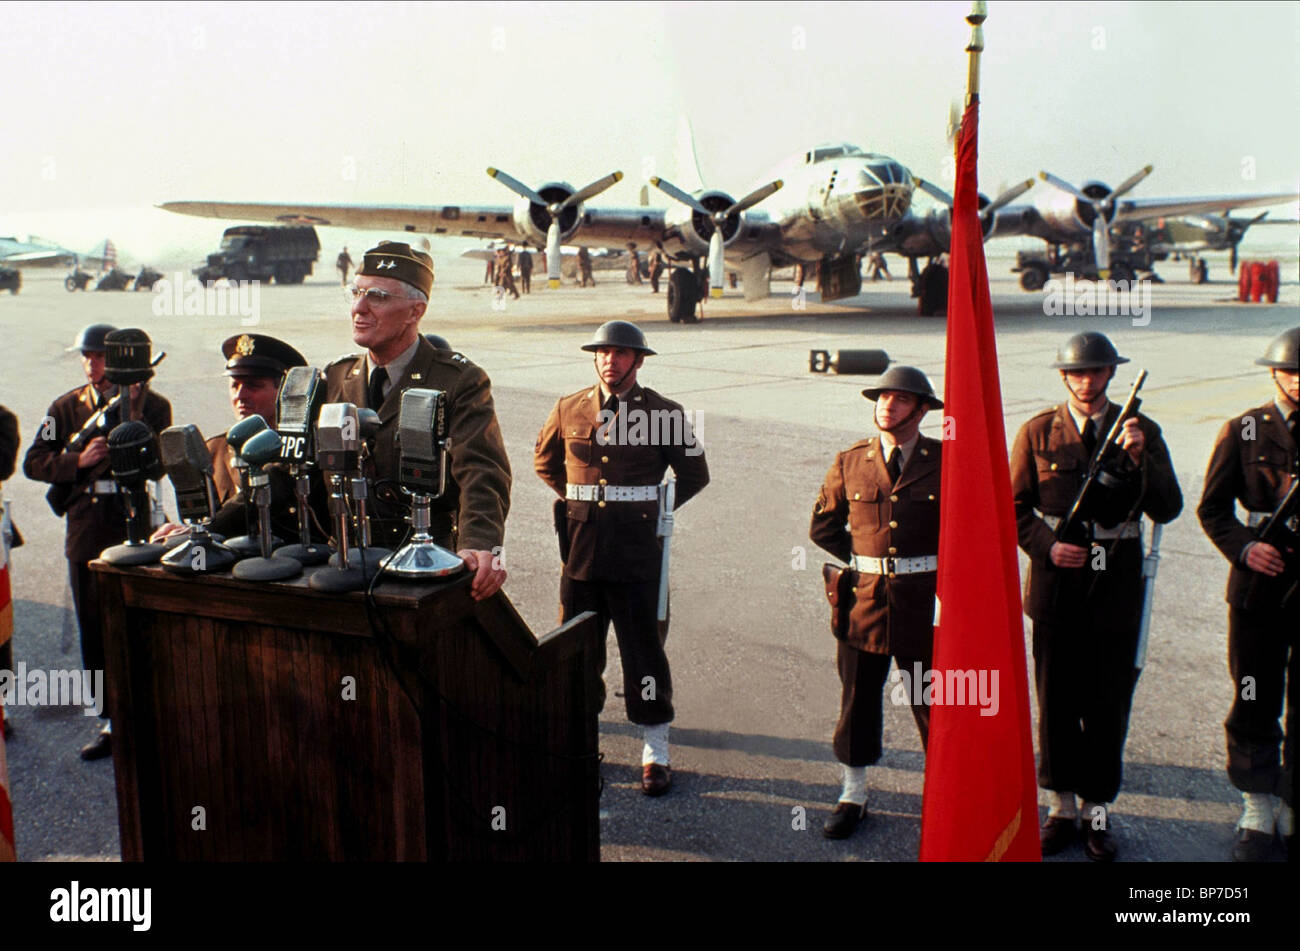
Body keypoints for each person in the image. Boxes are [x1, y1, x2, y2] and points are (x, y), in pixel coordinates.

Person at [1010, 332, 1182, 861]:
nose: (1087, 381)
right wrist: (1045, 547)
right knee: (1057, 699)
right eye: (1077, 372)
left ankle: (1098, 811)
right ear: (1064, 376)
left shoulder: (1141, 430)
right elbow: (1011, 506)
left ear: (1111, 375)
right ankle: (1061, 806)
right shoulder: (1038, 431)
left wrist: (1142, 455)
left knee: (1108, 704)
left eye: (1097, 371)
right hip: (1058, 583)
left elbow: (1168, 508)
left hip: (1116, 582)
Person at [534, 321, 709, 796]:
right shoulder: (568, 407)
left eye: (621, 353)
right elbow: (546, 463)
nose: (610, 360)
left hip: (637, 557)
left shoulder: (665, 414)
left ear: (638, 360)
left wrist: (647, 511)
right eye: (603, 352)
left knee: (644, 653)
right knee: (577, 654)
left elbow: (695, 473)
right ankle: (580, 747)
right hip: (582, 553)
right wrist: (583, 506)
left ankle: (655, 752)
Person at [326, 241, 510, 600]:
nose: (358, 308)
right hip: (345, 568)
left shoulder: (457, 381)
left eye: (376, 296)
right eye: (356, 292)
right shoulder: (336, 377)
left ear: (415, 312)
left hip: (425, 568)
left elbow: (482, 471)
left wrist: (482, 544)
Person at [23, 324, 172, 760]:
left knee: (140, 622)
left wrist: (135, 428)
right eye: (86, 357)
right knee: (93, 628)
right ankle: (107, 720)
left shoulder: (153, 405)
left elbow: (161, 464)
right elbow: (34, 461)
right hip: (86, 528)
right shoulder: (66, 407)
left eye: (100, 357)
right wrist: (78, 460)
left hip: (133, 521)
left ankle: (145, 709)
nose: (92, 365)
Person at [808, 366, 942, 839]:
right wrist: (865, 562)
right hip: (863, 602)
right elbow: (822, 526)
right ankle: (853, 793)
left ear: (922, 409)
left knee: (933, 703)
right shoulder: (852, 461)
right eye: (883, 397)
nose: (887, 405)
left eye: (900, 399)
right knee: (858, 701)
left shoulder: (945, 461)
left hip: (926, 605)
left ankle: (944, 796)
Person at [1197, 326, 1298, 862]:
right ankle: (1258, 804)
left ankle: (1293, 801)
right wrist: (1243, 548)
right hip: (1260, 583)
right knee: (1255, 691)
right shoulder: (1245, 430)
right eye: (1291, 372)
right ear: (1274, 374)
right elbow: (1212, 509)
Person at [149, 333, 310, 546]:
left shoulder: (297, 451)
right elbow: (203, 517)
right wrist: (188, 530)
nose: (240, 396)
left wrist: (204, 531)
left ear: (282, 391)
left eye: (253, 386)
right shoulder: (214, 450)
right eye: (235, 385)